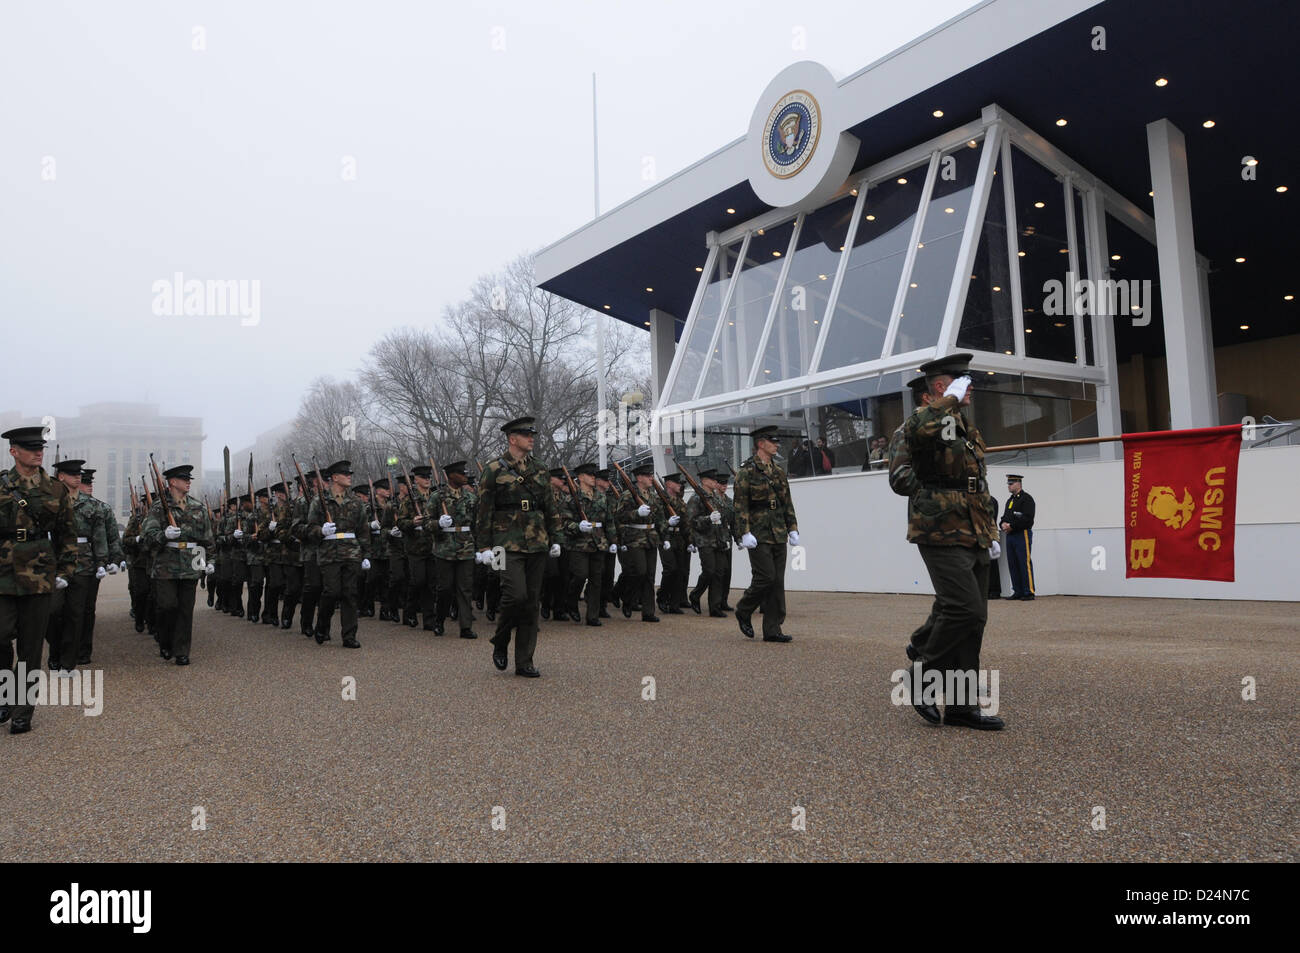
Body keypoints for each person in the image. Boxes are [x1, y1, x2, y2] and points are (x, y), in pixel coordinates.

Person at [888, 353, 1003, 730]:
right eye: (963, 381)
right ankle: (921, 673)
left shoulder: (963, 427)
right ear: (941, 387)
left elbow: (977, 479)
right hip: (938, 528)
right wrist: (940, 494)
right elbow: (901, 479)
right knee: (963, 608)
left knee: (975, 621)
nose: (971, 387)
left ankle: (960, 706)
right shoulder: (917, 425)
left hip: (974, 527)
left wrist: (990, 526)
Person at [0, 426, 78, 733]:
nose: (38, 452)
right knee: (1, 637)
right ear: (14, 451)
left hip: (40, 573)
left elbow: (67, 534)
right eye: (30, 447)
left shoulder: (54, 489)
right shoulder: (2, 486)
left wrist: (64, 571)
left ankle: (22, 711)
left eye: (40, 447)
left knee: (31, 648)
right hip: (3, 573)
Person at [475, 417, 561, 678]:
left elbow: (549, 506)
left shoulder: (540, 469)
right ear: (512, 439)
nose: (531, 438)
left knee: (531, 603)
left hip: (536, 542)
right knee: (515, 596)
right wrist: (483, 547)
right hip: (504, 543)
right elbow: (483, 510)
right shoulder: (493, 469)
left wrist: (556, 538)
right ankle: (501, 639)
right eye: (526, 434)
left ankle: (524, 661)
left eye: (532, 434)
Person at [141, 464, 215, 666]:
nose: (188, 482)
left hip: (190, 562)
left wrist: (209, 562)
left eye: (189, 479)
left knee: (185, 609)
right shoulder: (158, 508)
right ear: (172, 482)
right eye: (184, 479)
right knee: (167, 606)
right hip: (166, 564)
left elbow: (207, 539)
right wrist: (162, 535)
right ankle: (165, 641)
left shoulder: (197, 507)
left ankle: (182, 651)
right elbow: (146, 538)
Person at [733, 427, 798, 642]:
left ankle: (772, 629)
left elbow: (786, 502)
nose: (776, 444)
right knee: (765, 577)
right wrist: (744, 533)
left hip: (778, 531)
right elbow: (740, 505)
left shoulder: (778, 471)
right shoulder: (747, 471)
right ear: (761, 443)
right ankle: (744, 608)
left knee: (777, 581)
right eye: (772, 441)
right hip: (758, 533)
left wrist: (793, 528)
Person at [43, 459, 104, 675]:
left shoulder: (92, 505)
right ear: (60, 477)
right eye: (72, 474)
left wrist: (102, 561)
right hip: (54, 562)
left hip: (82, 563)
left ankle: (68, 663)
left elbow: (98, 536)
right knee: (52, 611)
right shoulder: (48, 502)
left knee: (76, 613)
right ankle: (55, 651)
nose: (77, 477)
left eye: (78, 474)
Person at [307, 460, 371, 648]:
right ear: (334, 478)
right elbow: (309, 529)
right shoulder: (320, 501)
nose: (349, 476)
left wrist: (367, 554)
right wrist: (321, 530)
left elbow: (363, 530)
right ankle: (322, 625)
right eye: (346, 474)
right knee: (331, 592)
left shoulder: (356, 502)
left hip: (352, 552)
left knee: (350, 594)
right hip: (329, 554)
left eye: (350, 474)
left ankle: (349, 636)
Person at [612, 461, 668, 623]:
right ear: (639, 478)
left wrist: (664, 537)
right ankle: (628, 599)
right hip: (635, 537)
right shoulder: (628, 495)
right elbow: (619, 516)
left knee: (650, 576)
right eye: (648, 475)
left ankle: (648, 612)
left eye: (651, 475)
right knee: (640, 572)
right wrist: (636, 513)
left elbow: (660, 518)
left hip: (651, 537)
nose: (651, 478)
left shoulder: (653, 495)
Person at [564, 462, 617, 627]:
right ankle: (571, 601)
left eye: (594, 475)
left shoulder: (601, 497)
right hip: (578, 543)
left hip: (598, 542)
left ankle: (592, 615)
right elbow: (564, 522)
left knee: (597, 578)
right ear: (580, 477)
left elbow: (608, 521)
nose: (593, 477)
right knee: (580, 575)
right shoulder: (571, 497)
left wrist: (613, 541)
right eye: (590, 475)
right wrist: (577, 526)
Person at [77, 467, 122, 664]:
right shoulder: (58, 505)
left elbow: (112, 537)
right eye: (85, 482)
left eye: (90, 483)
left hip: (90, 564)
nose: (89, 486)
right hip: (62, 563)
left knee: (86, 609)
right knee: (57, 611)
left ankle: (83, 651)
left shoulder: (101, 508)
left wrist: (114, 559)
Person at [429, 461, 478, 638]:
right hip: (445, 548)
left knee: (465, 589)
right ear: (451, 476)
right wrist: (438, 524)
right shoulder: (437, 497)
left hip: (466, 547)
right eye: (461, 473)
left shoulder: (471, 498)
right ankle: (439, 620)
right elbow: (427, 523)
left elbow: (477, 525)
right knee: (445, 589)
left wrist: (480, 548)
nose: (465, 476)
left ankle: (465, 627)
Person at [397, 465, 437, 630]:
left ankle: (429, 619)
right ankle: (409, 611)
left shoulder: (435, 498)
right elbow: (400, 522)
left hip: (432, 546)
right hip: (415, 547)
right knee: (418, 581)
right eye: (423, 477)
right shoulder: (408, 500)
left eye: (428, 477)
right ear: (416, 480)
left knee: (430, 583)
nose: (427, 479)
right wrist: (412, 523)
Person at [687, 468, 729, 617]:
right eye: (712, 479)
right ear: (704, 481)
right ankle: (695, 594)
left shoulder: (716, 498)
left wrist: (725, 538)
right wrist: (708, 519)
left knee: (719, 573)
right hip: (704, 540)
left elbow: (722, 521)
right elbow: (691, 521)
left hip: (718, 539)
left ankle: (715, 607)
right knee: (709, 571)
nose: (715, 482)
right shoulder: (696, 498)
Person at [657, 473, 690, 614]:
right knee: (670, 569)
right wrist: (667, 523)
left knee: (681, 570)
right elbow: (655, 522)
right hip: (665, 537)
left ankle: (674, 604)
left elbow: (686, 523)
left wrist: (690, 541)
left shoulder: (680, 501)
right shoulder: (659, 500)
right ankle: (662, 597)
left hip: (678, 538)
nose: (680, 485)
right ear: (668, 484)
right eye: (676, 483)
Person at [1001, 474, 1036, 601]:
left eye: (1011, 484)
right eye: (1008, 484)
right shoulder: (1010, 500)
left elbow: (1027, 519)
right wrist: (1003, 524)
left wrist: (1012, 526)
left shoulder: (1027, 499)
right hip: (1010, 535)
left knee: (1024, 562)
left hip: (1022, 533)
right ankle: (1018, 590)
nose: (1009, 486)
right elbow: (1004, 517)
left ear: (1019, 483)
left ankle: (1029, 591)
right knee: (1013, 563)